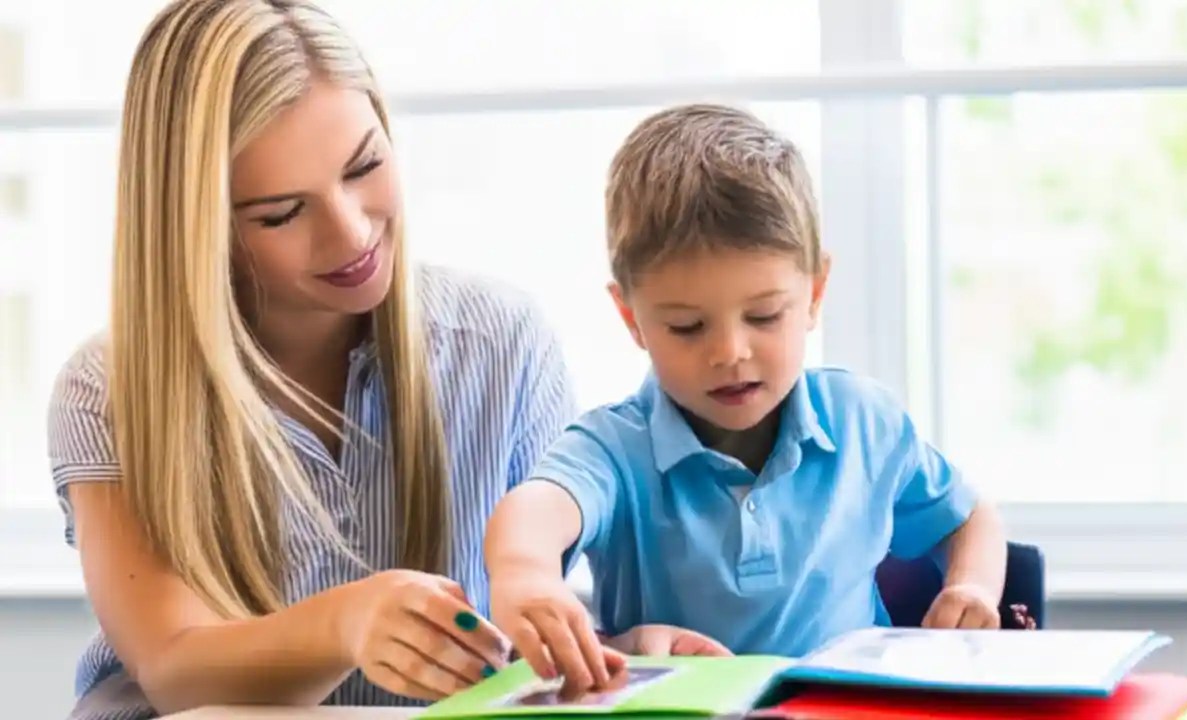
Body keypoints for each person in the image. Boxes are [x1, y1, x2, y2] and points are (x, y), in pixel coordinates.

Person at [43, 0, 680, 717]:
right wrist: (345, 624)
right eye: (282, 213)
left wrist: (618, 650)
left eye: (365, 166)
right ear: (197, 227)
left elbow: (519, 648)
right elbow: (175, 674)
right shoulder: (107, 391)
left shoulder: (504, 342)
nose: (350, 235)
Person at [484, 103, 1009, 692]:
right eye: (687, 327)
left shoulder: (865, 422)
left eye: (764, 316)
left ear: (815, 294)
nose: (730, 352)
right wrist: (526, 572)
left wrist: (971, 587)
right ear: (631, 319)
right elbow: (539, 506)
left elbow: (970, 517)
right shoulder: (613, 448)